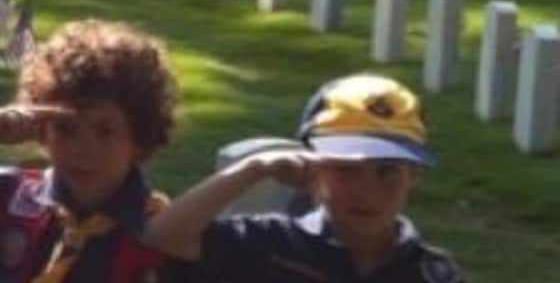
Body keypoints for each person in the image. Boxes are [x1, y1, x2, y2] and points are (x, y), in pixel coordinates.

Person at [140, 73, 466, 283]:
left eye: (388, 172)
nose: (367, 191)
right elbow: (163, 236)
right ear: (313, 166)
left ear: (414, 177)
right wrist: (256, 168)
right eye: (346, 169)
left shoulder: (433, 273)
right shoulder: (271, 246)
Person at [0, 19, 185, 282]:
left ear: (140, 137)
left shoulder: (166, 230)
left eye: (105, 131)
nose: (82, 149)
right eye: (65, 129)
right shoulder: (5, 198)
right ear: (42, 130)